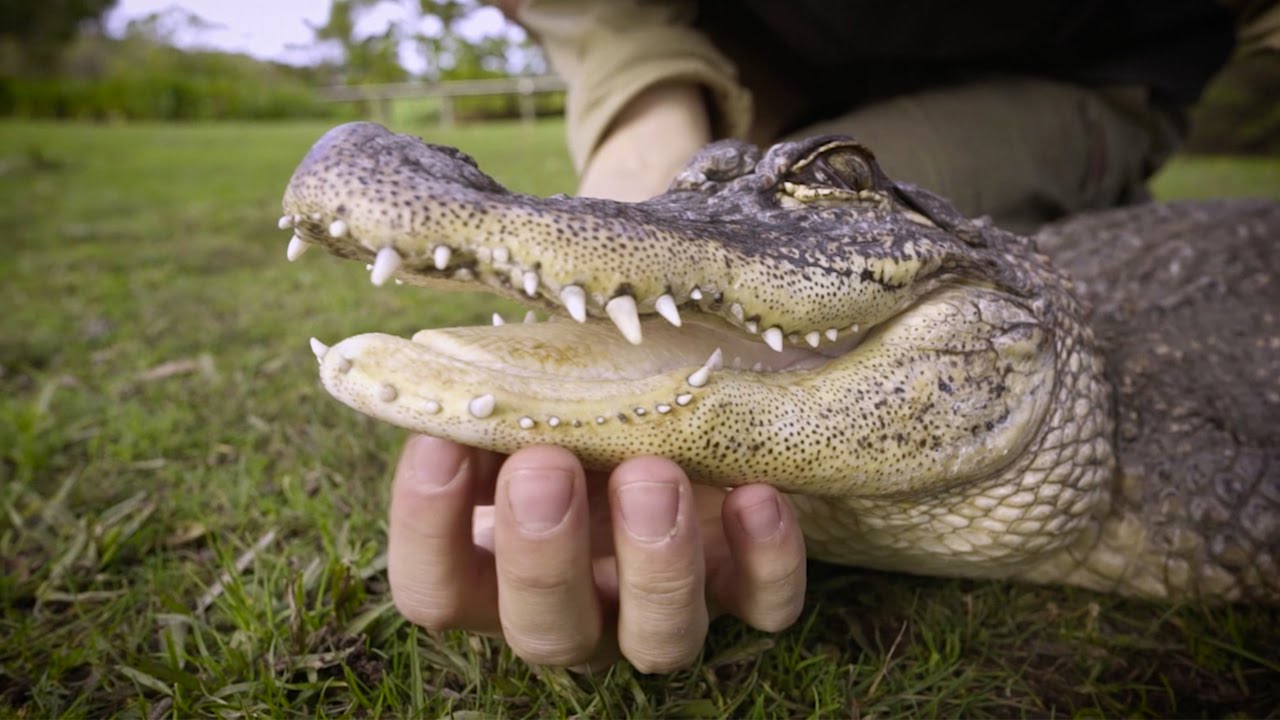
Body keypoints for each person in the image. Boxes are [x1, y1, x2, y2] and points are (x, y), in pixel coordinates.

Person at [385, 0, 1276, 673]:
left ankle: (822, 169)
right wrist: (636, 173)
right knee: (727, 183)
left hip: (1082, 66)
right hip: (750, 58)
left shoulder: (1214, 492)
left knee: (821, 162)